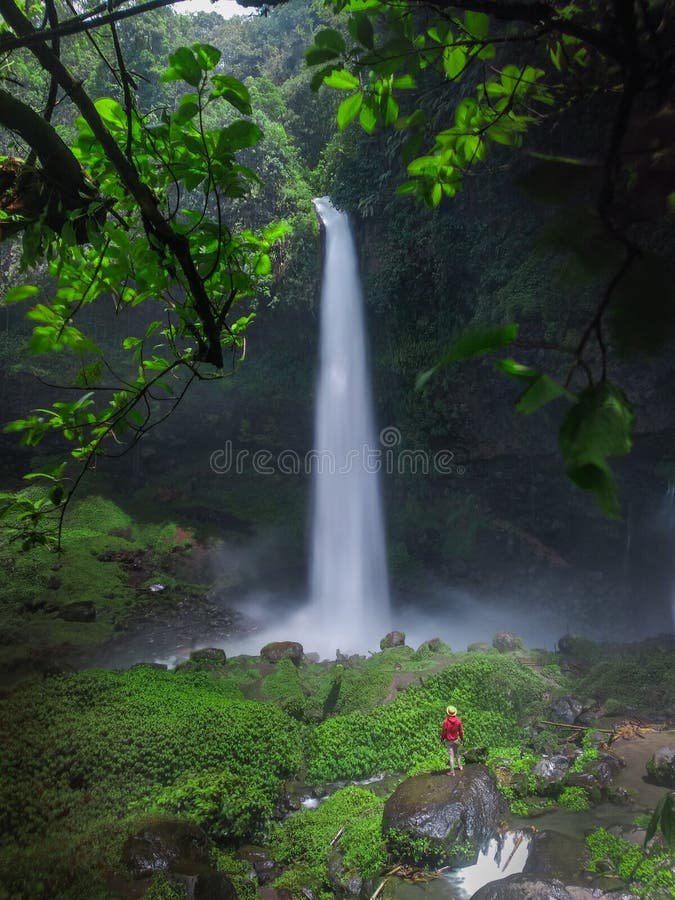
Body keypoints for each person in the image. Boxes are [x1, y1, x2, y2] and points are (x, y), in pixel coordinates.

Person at [440, 704, 464, 775]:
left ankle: (452, 772)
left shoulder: (446, 722)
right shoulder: (458, 721)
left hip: (449, 741)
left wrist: (442, 739)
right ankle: (460, 767)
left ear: (448, 713)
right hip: (456, 740)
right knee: (457, 754)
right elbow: (461, 732)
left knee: (451, 757)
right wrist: (462, 739)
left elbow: (443, 732)